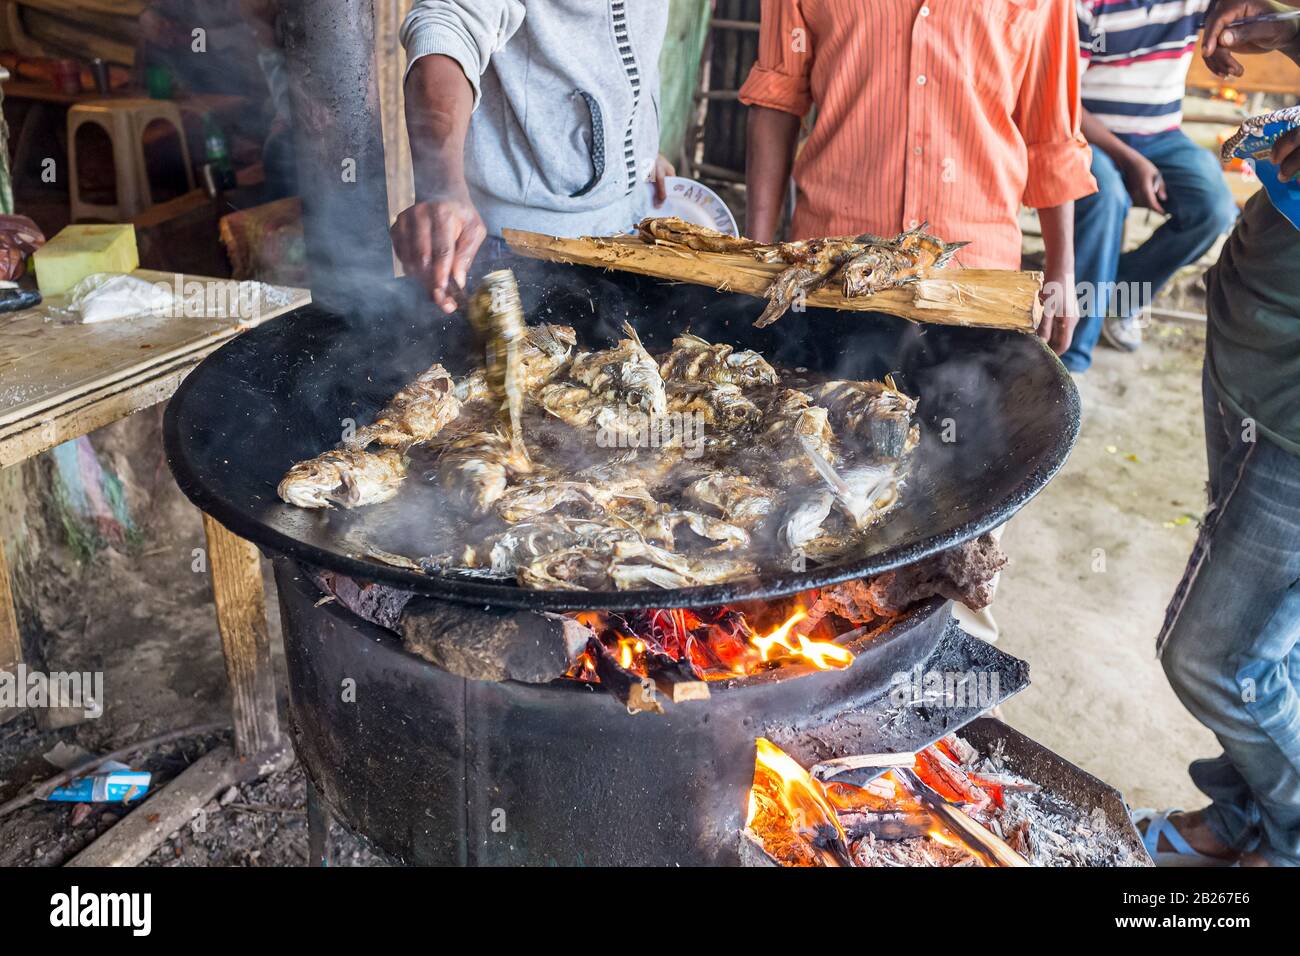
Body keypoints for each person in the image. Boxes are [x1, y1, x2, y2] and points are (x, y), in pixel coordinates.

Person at [1139, 0, 1300, 867]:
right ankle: (1244, 819)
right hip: (1253, 360)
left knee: (1212, 658)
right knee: (1277, 640)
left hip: (1293, 425)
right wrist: (1281, 32)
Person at [739, 0, 1096, 356]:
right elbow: (776, 100)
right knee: (817, 406)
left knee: (966, 405)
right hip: (831, 270)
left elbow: (1051, 132)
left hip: (974, 277)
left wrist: (1062, 269)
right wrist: (754, 255)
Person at [390, 1, 674, 313]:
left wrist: (635, 152)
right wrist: (441, 187)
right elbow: (448, 25)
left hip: (630, 224)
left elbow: (625, 42)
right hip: (520, 248)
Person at [1063, 0, 1239, 372]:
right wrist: (1129, 159)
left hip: (1162, 137)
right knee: (1104, 196)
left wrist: (1223, 38)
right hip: (1089, 135)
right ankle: (1071, 357)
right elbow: (1063, 101)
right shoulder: (1087, 6)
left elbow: (1253, 12)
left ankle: (1120, 293)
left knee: (1214, 207)